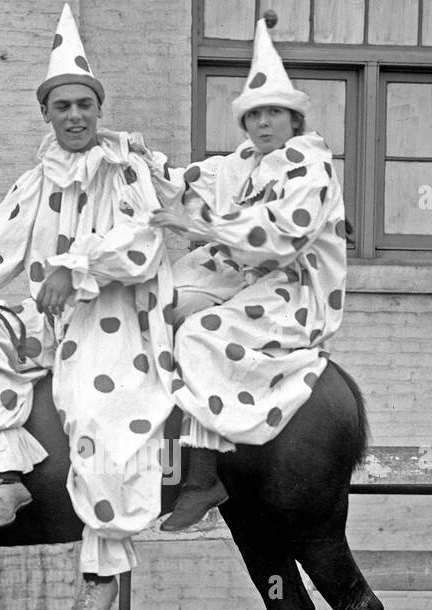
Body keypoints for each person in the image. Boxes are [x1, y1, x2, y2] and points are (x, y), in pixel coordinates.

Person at [0, 4, 181, 610]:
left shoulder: (127, 171)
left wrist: (74, 263)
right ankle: (5, 469)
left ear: (98, 110)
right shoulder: (35, 181)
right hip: (49, 324)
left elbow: (145, 246)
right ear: (46, 114)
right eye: (61, 106)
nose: (74, 116)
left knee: (94, 410)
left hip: (115, 324)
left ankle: (100, 568)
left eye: (83, 105)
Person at [146, 12, 350, 531]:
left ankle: (203, 474)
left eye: (274, 114)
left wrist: (203, 222)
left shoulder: (311, 167)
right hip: (234, 277)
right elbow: (178, 180)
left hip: (292, 288)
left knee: (198, 334)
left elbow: (282, 235)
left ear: (294, 121)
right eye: (254, 116)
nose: (263, 124)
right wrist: (123, 155)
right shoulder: (238, 164)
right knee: (152, 309)